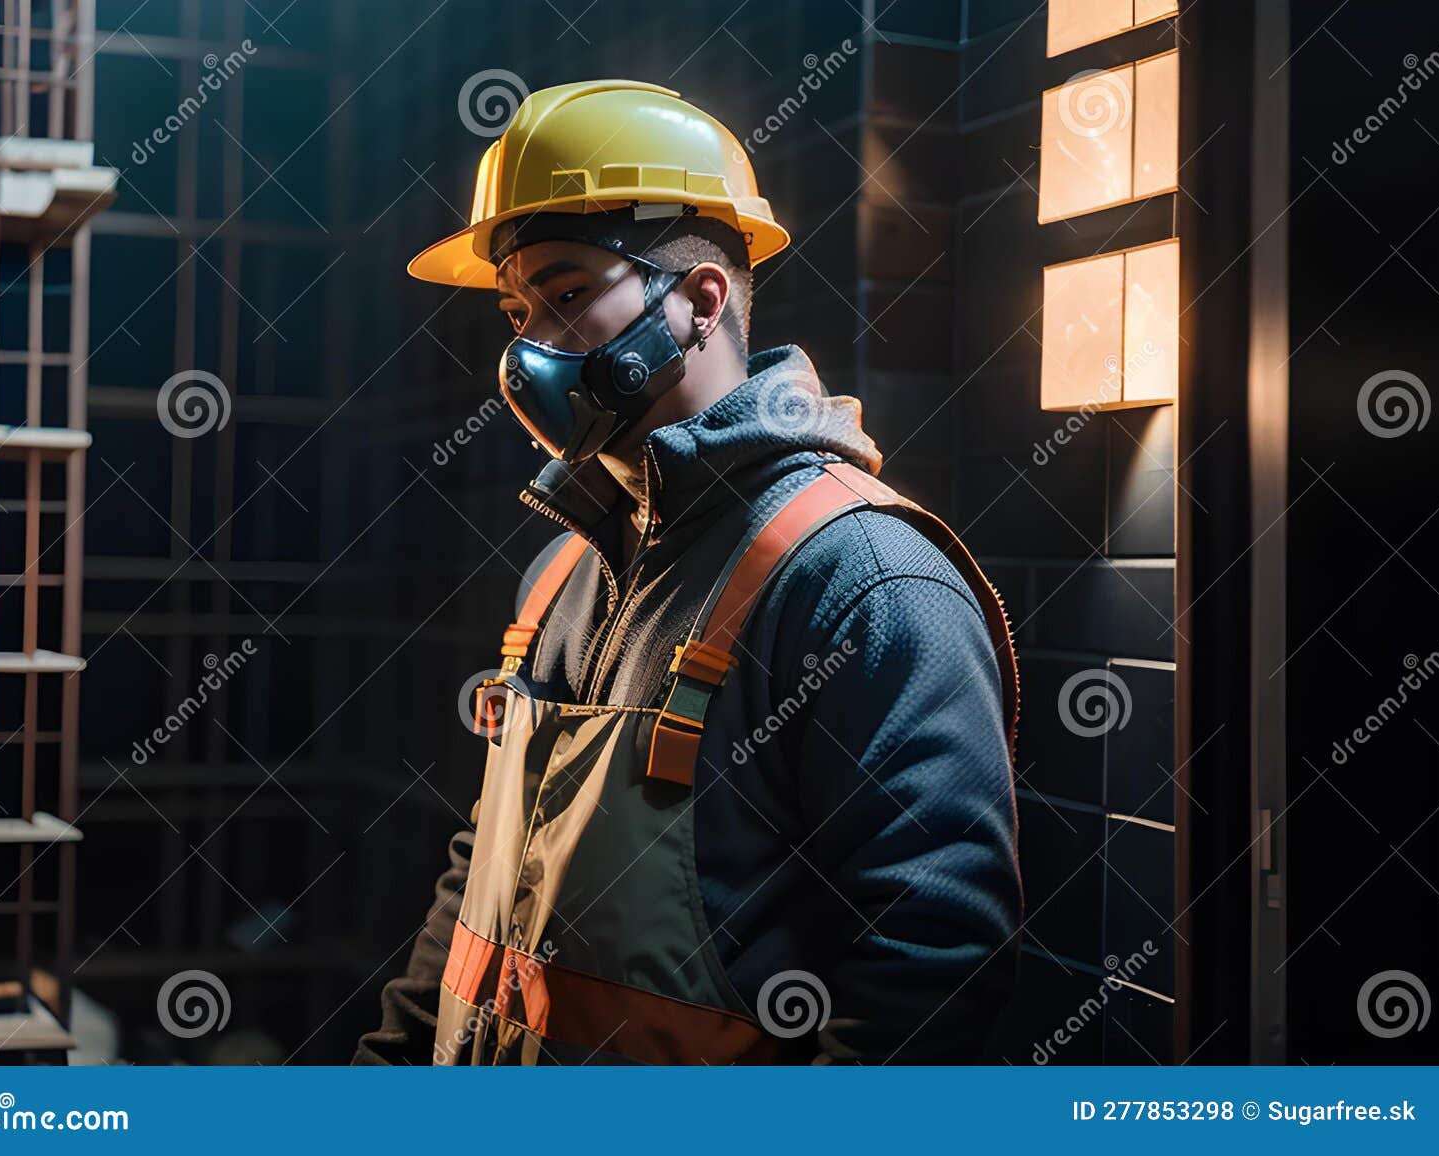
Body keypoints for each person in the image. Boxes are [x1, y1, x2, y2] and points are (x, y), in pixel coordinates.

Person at [355, 80, 1020, 1065]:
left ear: (700, 301)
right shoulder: (561, 573)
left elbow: (934, 968)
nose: (527, 353)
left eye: (567, 296)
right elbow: (487, 874)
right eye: (514, 310)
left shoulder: (864, 577)